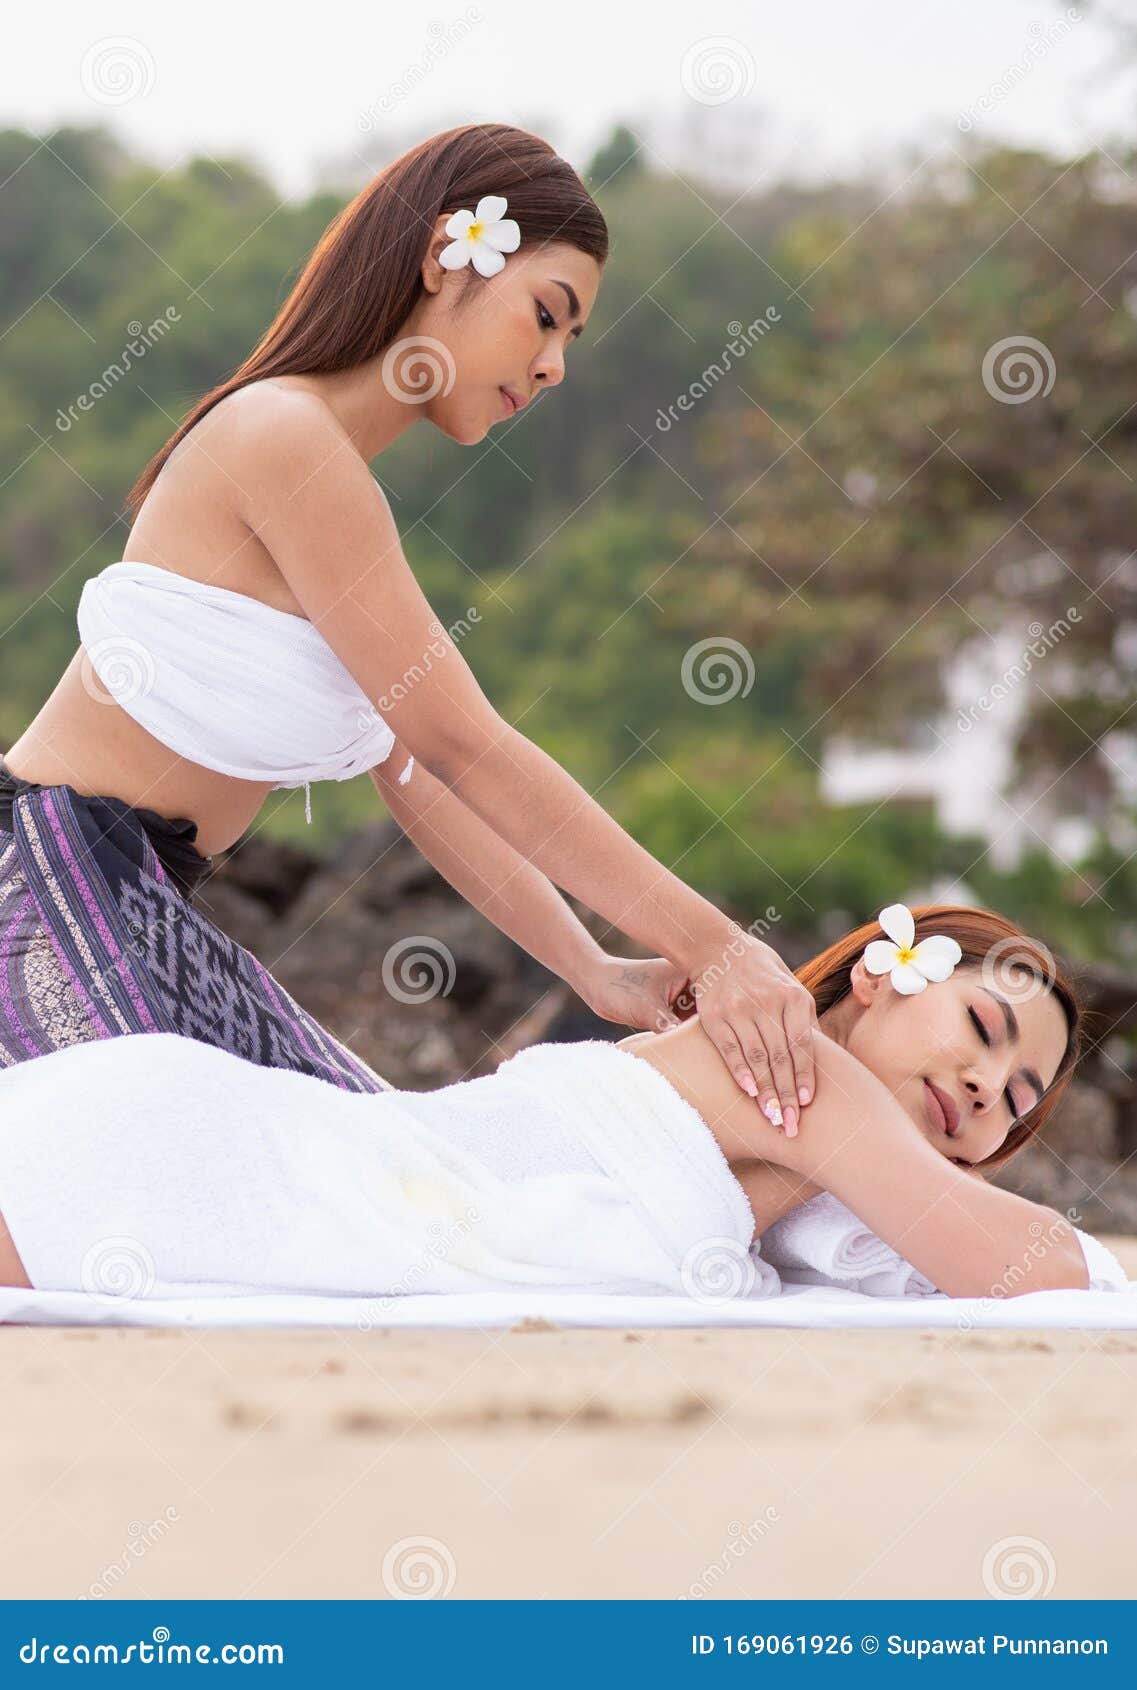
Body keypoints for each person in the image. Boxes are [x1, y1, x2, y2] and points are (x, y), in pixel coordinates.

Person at [0, 120, 816, 1123]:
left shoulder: (326, 471)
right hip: (41, 889)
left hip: (139, 907)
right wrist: (720, 947)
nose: (556, 364)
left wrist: (595, 969)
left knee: (381, 1172)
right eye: (547, 315)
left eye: (572, 338)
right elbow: (464, 745)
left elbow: (417, 773)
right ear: (445, 255)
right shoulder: (282, 437)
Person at [0, 904, 1093, 1299]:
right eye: (985, 1032)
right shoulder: (804, 1070)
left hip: (246, 1153)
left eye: (1018, 1102)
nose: (985, 1090)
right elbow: (1024, 1263)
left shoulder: (823, 1161)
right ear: (877, 976)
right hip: (231, 1159)